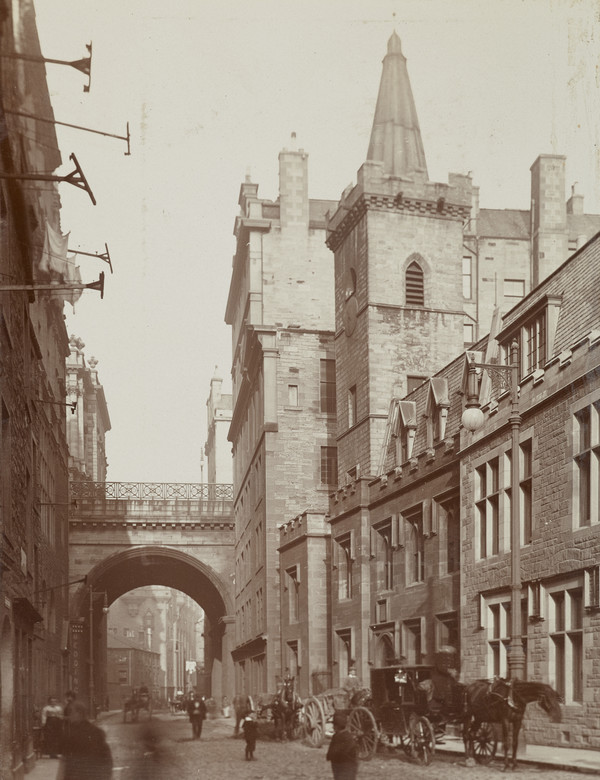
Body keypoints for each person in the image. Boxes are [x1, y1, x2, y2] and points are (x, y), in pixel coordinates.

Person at [60, 699, 112, 780]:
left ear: (79, 713)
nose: (69, 716)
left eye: (71, 712)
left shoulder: (71, 734)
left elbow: (105, 758)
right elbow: (107, 759)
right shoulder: (96, 731)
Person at [326, 712, 358, 780]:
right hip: (350, 769)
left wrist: (330, 756)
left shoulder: (336, 737)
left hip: (341, 769)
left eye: (334, 725)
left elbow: (330, 754)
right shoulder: (349, 737)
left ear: (336, 726)